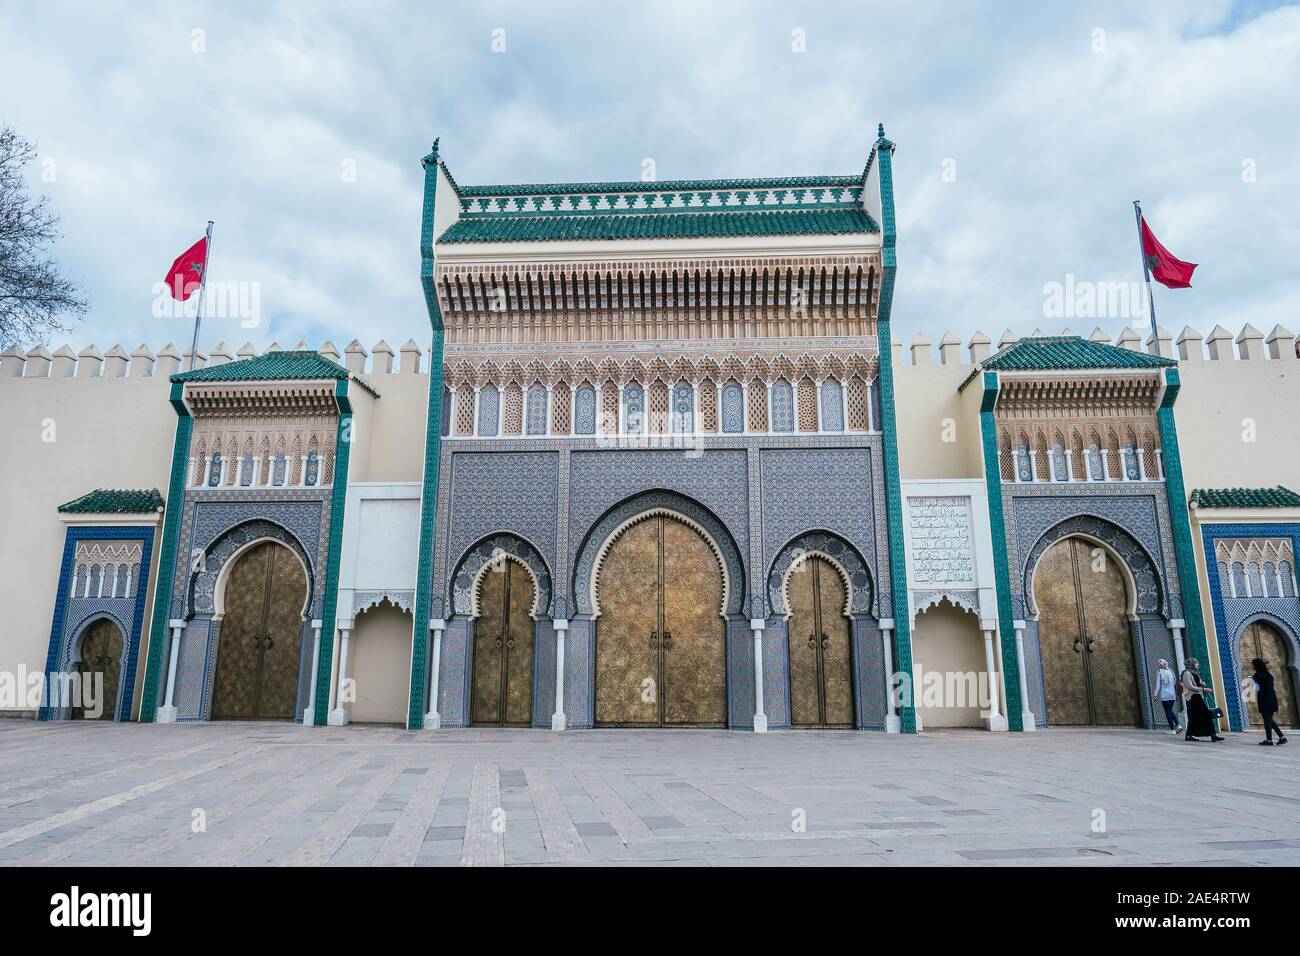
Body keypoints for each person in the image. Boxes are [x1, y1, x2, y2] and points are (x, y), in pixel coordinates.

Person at [1181, 657, 1223, 742]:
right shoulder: (1186, 673)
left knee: (1204, 715)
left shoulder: (1195, 672)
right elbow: (1190, 686)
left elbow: (1198, 683)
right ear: (1192, 664)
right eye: (1196, 663)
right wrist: (1204, 689)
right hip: (1192, 697)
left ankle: (1212, 734)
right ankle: (1189, 735)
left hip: (1198, 697)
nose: (1198, 664)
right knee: (1195, 716)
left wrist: (1202, 684)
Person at [1250, 657, 1288, 746]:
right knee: (1269, 720)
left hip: (1265, 700)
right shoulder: (1268, 674)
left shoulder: (1257, 675)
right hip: (1272, 699)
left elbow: (1257, 688)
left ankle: (1269, 740)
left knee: (1267, 721)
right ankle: (1282, 737)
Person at [1151, 658, 1180, 734]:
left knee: (1167, 712)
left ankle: (1172, 729)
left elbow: (1158, 684)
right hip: (1172, 695)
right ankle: (1178, 725)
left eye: (1158, 663)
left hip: (1165, 695)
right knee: (1170, 710)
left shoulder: (1159, 672)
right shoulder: (1171, 671)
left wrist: (1155, 694)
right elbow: (1175, 683)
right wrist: (1176, 694)